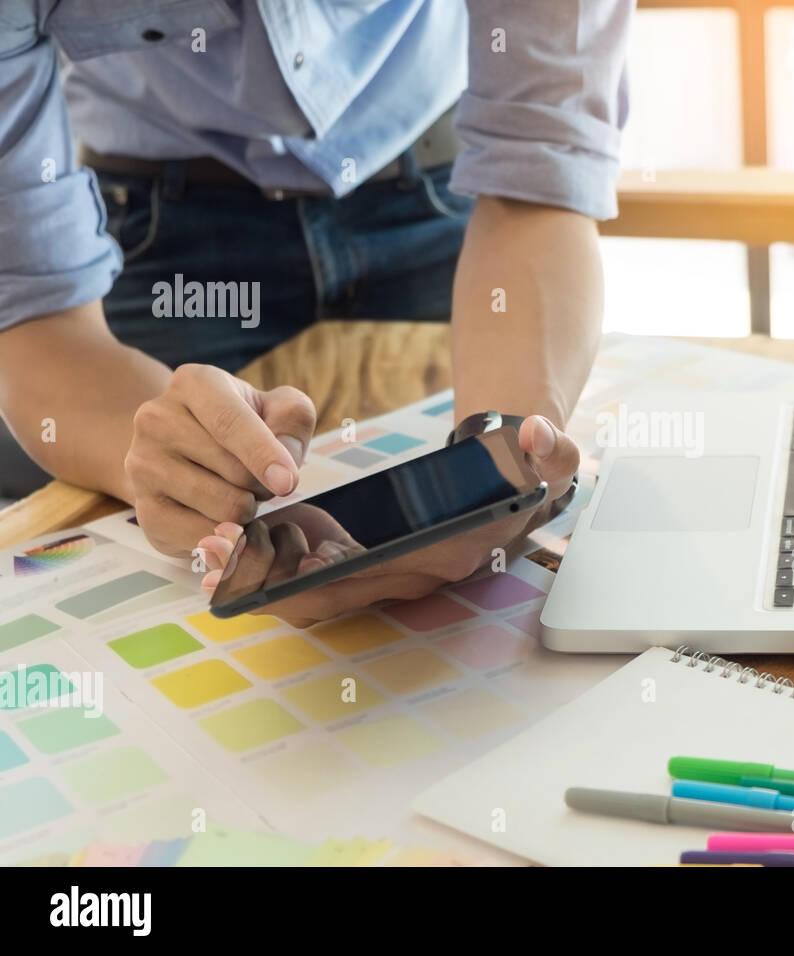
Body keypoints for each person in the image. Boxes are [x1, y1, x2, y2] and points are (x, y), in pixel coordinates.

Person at [0, 1, 631, 623]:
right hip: (155, 225)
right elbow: (35, 314)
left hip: (451, 196)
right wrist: (168, 470)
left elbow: (540, 173)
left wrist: (506, 473)